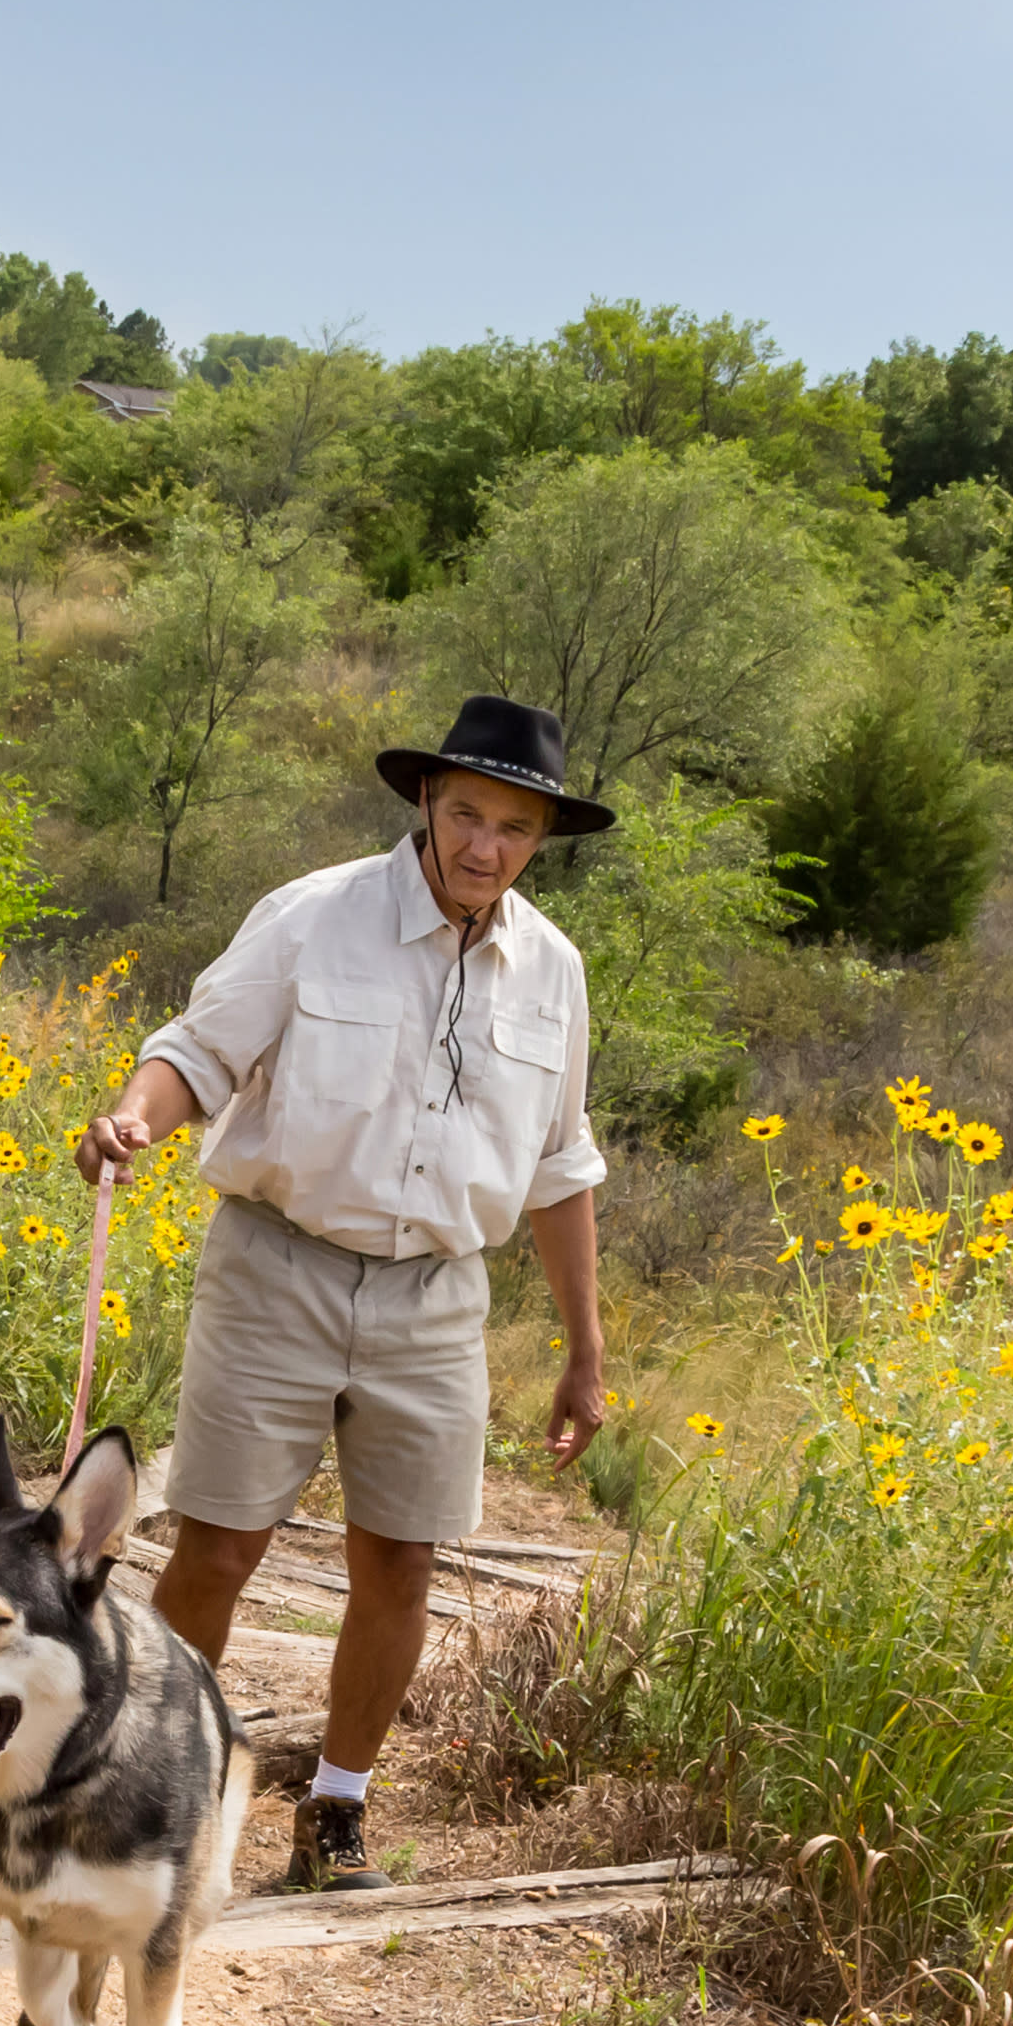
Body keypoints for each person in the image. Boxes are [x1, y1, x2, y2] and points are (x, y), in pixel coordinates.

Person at [72, 692, 612, 1890]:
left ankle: (335, 1813)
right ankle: (145, 1787)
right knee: (218, 1543)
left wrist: (584, 1349)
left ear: (541, 841)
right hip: (280, 1264)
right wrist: (132, 1120)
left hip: (437, 1294)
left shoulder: (555, 971)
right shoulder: (314, 916)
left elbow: (561, 1163)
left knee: (402, 1564)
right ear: (424, 802)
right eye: (465, 813)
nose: (484, 846)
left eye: (514, 828)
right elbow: (197, 1052)